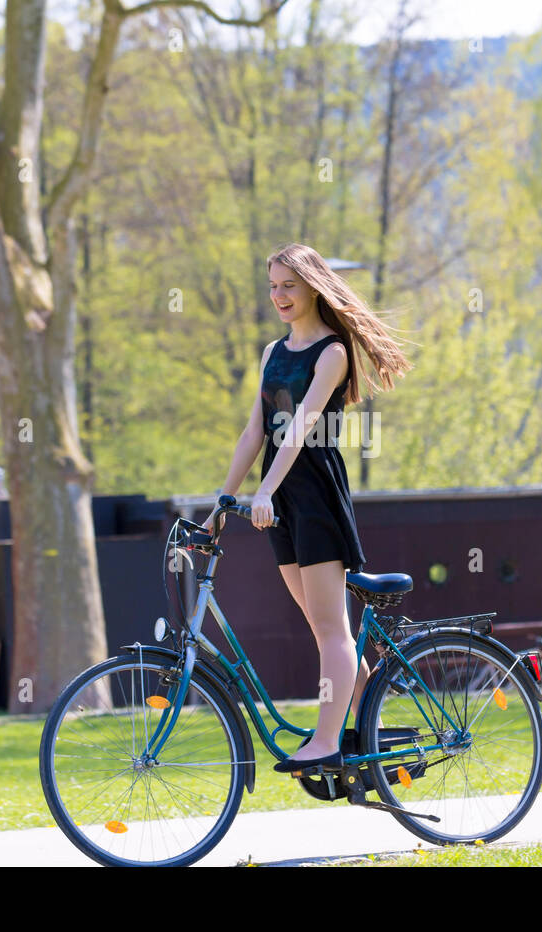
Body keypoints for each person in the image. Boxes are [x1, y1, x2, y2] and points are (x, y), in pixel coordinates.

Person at [202, 242, 414, 772]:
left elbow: (299, 430)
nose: (279, 296)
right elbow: (256, 431)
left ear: (314, 287)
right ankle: (372, 737)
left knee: (329, 631)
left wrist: (266, 490)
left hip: (314, 495)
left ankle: (326, 741)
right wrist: (222, 503)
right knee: (324, 628)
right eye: (273, 286)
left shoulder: (331, 353)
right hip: (279, 502)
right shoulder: (272, 354)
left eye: (289, 286)